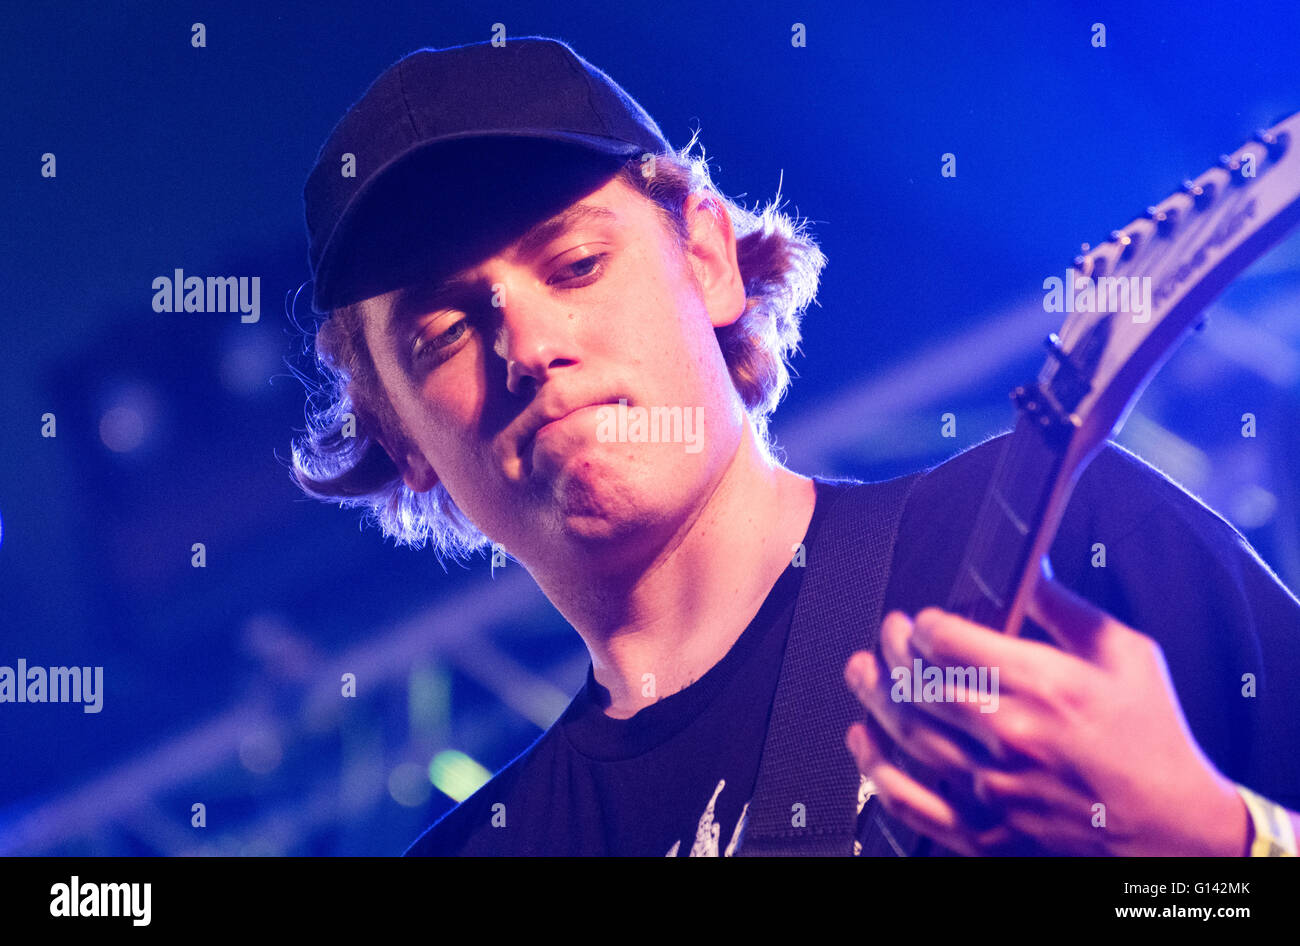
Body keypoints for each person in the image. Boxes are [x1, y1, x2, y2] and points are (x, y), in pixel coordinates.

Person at [291, 37, 1300, 856]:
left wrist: (1210, 838)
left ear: (706, 256)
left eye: (578, 262)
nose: (530, 345)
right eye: (445, 334)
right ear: (399, 437)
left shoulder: (1060, 542)